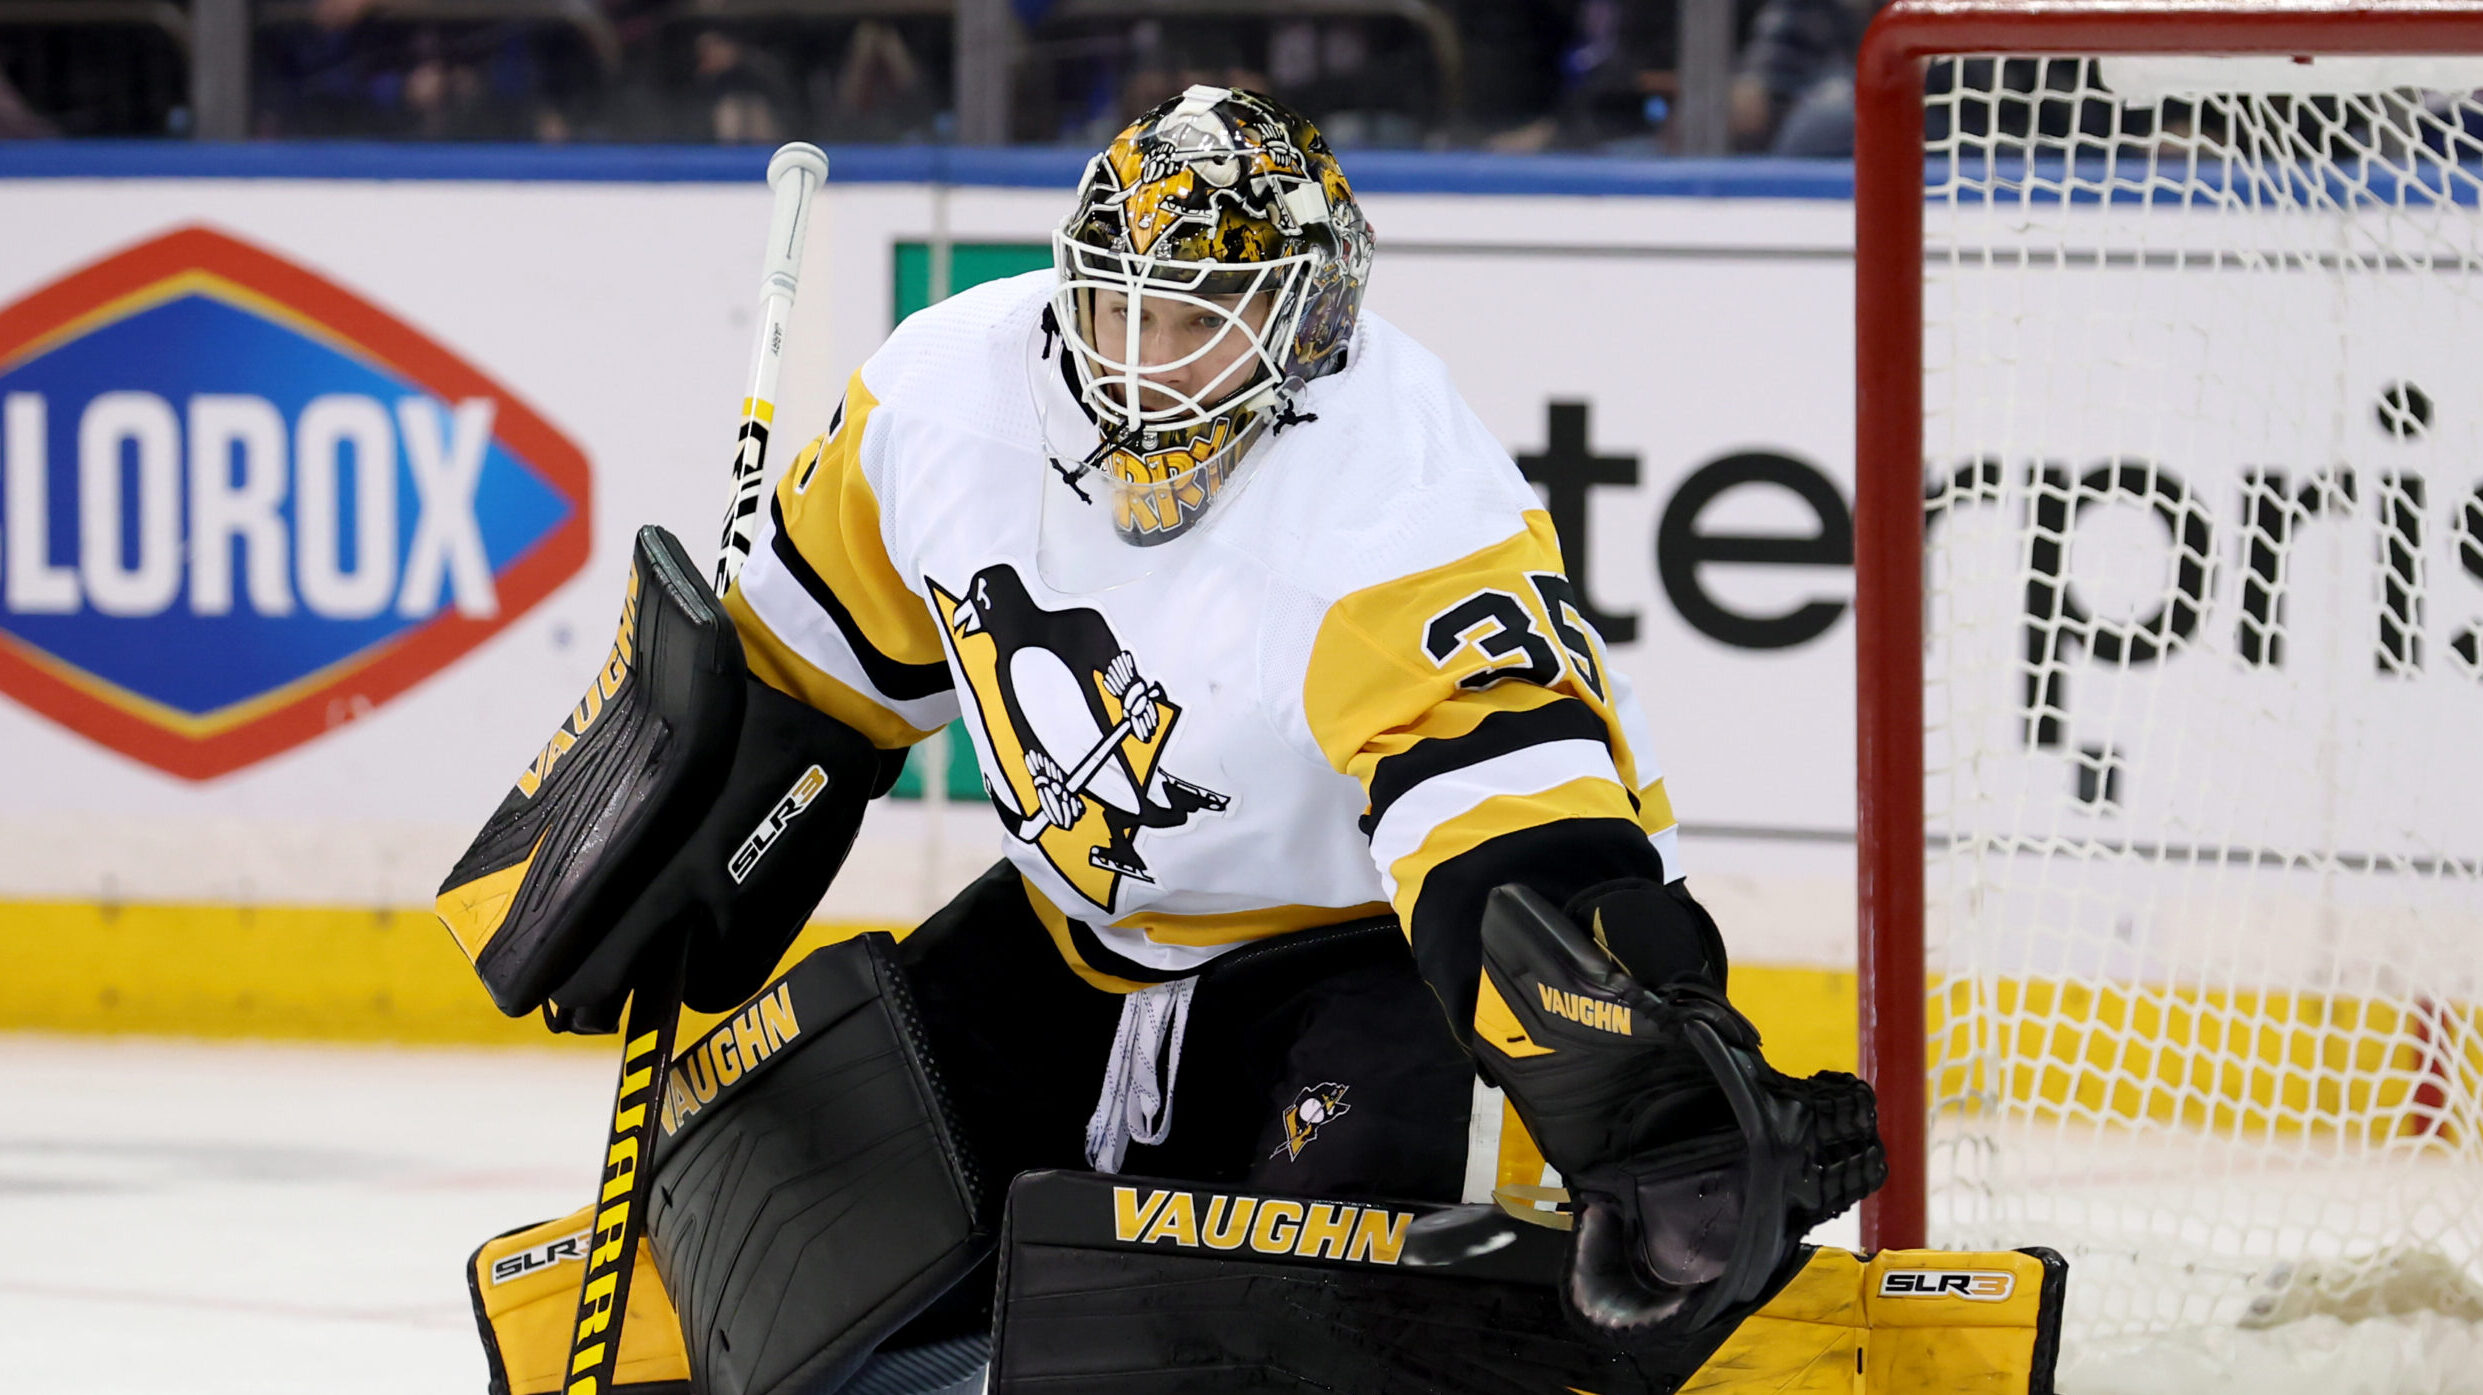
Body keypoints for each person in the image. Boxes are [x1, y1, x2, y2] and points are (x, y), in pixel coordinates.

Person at [446, 86, 1912, 1395]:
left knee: (1298, 1324)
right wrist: (695, 814)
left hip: (1347, 965)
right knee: (767, 1225)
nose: (1142, 367)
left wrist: (1653, 1093)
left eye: (1200, 318)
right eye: (1118, 307)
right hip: (1073, 938)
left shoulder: (1398, 507)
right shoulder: (942, 395)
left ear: (1308, 323)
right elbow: (815, 669)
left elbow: (1516, 857)